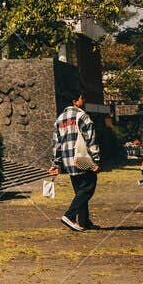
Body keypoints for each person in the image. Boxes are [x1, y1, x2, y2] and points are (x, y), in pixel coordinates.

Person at [51, 93, 101, 232]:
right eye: (82, 98)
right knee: (87, 189)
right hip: (83, 159)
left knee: (80, 192)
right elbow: (91, 139)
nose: (84, 100)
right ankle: (70, 215)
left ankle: (84, 222)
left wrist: (56, 164)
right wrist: (95, 160)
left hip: (68, 161)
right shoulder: (82, 116)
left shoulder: (59, 119)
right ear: (75, 101)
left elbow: (56, 144)